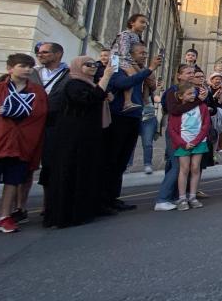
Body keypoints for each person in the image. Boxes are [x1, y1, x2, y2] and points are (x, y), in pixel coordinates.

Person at [42, 56, 113, 228]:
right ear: (78, 66)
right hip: (73, 137)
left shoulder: (88, 83)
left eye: (95, 65)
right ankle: (65, 214)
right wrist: (105, 78)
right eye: (88, 65)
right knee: (71, 172)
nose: (93, 67)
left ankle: (82, 211)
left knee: (84, 173)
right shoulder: (73, 84)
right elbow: (88, 100)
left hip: (87, 136)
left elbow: (96, 97)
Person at [0, 54, 48, 233]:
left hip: (21, 144)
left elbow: (40, 113)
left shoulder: (37, 91)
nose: (27, 69)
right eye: (22, 66)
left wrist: (12, 110)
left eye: (30, 66)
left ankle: (4, 216)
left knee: (13, 181)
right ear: (10, 68)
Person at [104, 43, 161, 212]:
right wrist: (149, 69)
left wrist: (149, 80)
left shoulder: (138, 72)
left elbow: (147, 90)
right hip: (119, 118)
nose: (144, 55)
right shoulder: (119, 69)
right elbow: (122, 84)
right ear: (130, 54)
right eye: (140, 53)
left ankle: (113, 197)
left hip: (134, 117)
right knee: (113, 160)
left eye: (145, 53)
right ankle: (104, 199)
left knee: (121, 162)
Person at [28, 41, 70, 222]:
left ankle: (48, 203)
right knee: (25, 166)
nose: (40, 54)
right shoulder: (32, 73)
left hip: (54, 125)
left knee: (50, 165)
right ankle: (19, 207)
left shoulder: (68, 74)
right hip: (30, 124)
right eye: (39, 52)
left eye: (45, 52)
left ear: (57, 54)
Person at [155, 63, 201, 210]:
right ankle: (162, 199)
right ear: (179, 75)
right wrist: (197, 102)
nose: (192, 75)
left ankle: (174, 196)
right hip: (176, 133)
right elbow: (173, 110)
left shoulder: (194, 90)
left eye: (193, 73)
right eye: (188, 73)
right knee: (177, 166)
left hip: (188, 133)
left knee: (174, 165)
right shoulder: (172, 91)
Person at [167, 82, 211, 210]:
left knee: (196, 168)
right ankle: (182, 198)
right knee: (184, 169)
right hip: (183, 142)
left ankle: (192, 196)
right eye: (189, 93)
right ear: (181, 96)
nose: (193, 96)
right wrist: (183, 143)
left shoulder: (202, 107)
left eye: (194, 93)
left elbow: (205, 125)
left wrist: (196, 141)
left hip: (199, 142)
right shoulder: (178, 109)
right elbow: (172, 129)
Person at [110, 13, 150, 112]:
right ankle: (127, 102)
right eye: (142, 22)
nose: (144, 25)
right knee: (131, 75)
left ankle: (144, 100)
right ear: (132, 23)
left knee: (142, 75)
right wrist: (135, 66)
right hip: (116, 58)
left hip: (124, 59)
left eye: (145, 23)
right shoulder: (126, 35)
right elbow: (124, 53)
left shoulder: (137, 37)